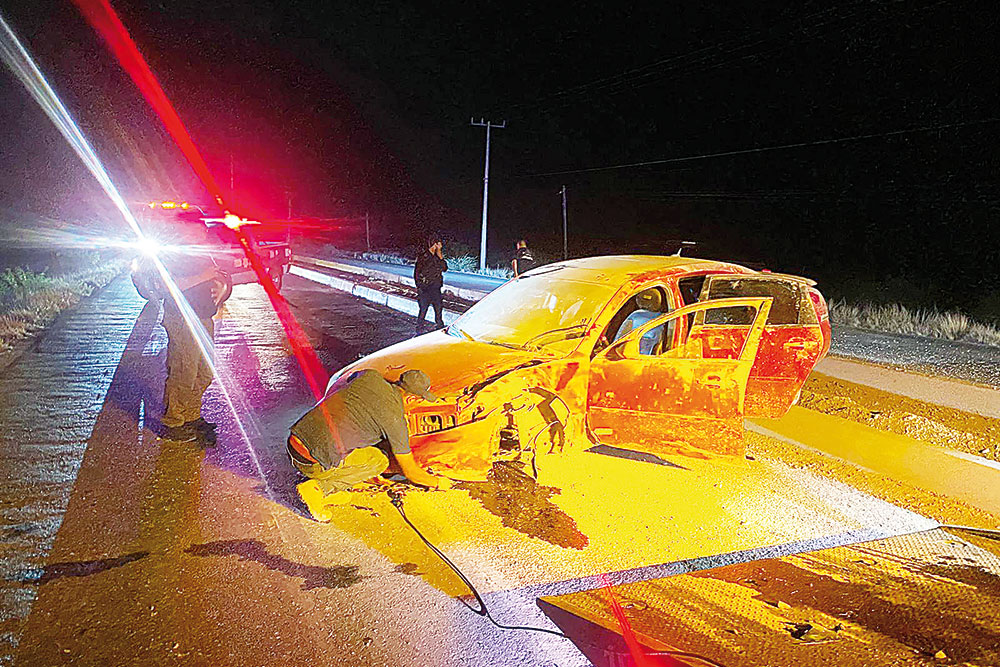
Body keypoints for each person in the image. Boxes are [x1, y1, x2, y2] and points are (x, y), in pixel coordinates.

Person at [288, 368, 452, 522]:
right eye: (420, 399)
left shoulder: (370, 376)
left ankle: (331, 492)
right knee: (379, 460)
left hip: (294, 441)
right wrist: (437, 482)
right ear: (411, 398)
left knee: (348, 483)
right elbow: (411, 472)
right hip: (311, 463)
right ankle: (318, 488)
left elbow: (352, 378)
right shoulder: (395, 421)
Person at [159, 221, 227, 444]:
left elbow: (220, 277)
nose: (202, 232)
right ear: (183, 229)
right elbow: (166, 286)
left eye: (203, 228)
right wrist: (204, 276)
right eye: (196, 228)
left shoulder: (201, 253)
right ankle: (173, 422)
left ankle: (190, 415)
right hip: (182, 320)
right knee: (183, 372)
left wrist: (221, 287)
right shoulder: (173, 254)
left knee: (204, 372)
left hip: (203, 318)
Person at [413, 235, 447, 332]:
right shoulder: (423, 257)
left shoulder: (437, 257)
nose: (440, 247)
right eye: (439, 245)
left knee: (438, 309)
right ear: (435, 244)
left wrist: (440, 254)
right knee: (423, 310)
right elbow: (417, 273)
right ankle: (419, 329)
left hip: (435, 288)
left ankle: (440, 327)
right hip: (425, 289)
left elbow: (444, 268)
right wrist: (420, 287)